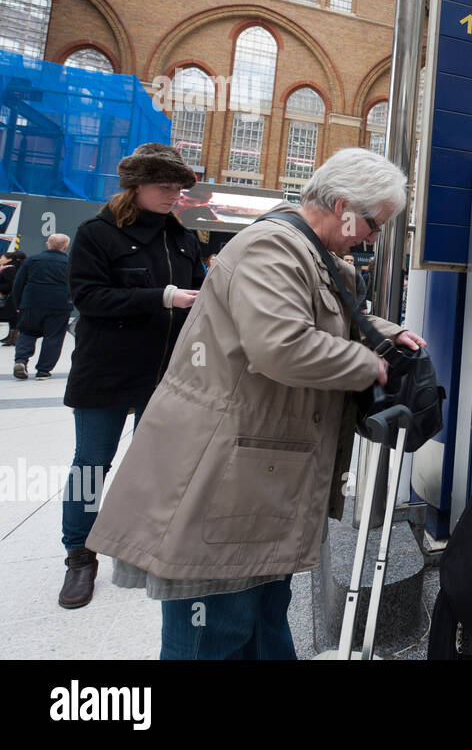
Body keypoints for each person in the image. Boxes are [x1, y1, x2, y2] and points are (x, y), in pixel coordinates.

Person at [87, 148, 423, 659]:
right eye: (375, 224)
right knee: (213, 633)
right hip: (224, 482)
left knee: (262, 622)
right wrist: (369, 366)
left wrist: (389, 334)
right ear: (343, 205)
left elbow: (333, 319)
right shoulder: (273, 247)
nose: (374, 238)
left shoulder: (317, 256)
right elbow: (281, 344)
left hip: (260, 482)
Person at [58, 144, 206, 609]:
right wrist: (160, 297)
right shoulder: (97, 234)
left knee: (154, 465)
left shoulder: (182, 238)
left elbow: (201, 295)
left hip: (164, 375)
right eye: (164, 187)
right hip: (105, 370)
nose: (173, 196)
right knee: (91, 463)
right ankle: (80, 555)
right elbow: (89, 299)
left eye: (179, 189)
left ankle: (141, 545)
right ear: (136, 186)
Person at [10, 234, 72, 379]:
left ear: (47, 244)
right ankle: (43, 370)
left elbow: (18, 284)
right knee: (53, 337)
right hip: (59, 304)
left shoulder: (31, 260)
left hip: (31, 302)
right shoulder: (70, 263)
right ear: (65, 247)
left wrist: (18, 303)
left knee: (27, 332)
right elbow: (75, 285)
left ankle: (21, 360)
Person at [0, 250, 28, 346]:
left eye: (2, 257)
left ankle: (13, 338)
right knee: (12, 317)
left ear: (9, 259)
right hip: (11, 296)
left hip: (11, 296)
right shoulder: (10, 268)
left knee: (13, 317)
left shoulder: (10, 269)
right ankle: (12, 337)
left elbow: (10, 284)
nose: (0, 259)